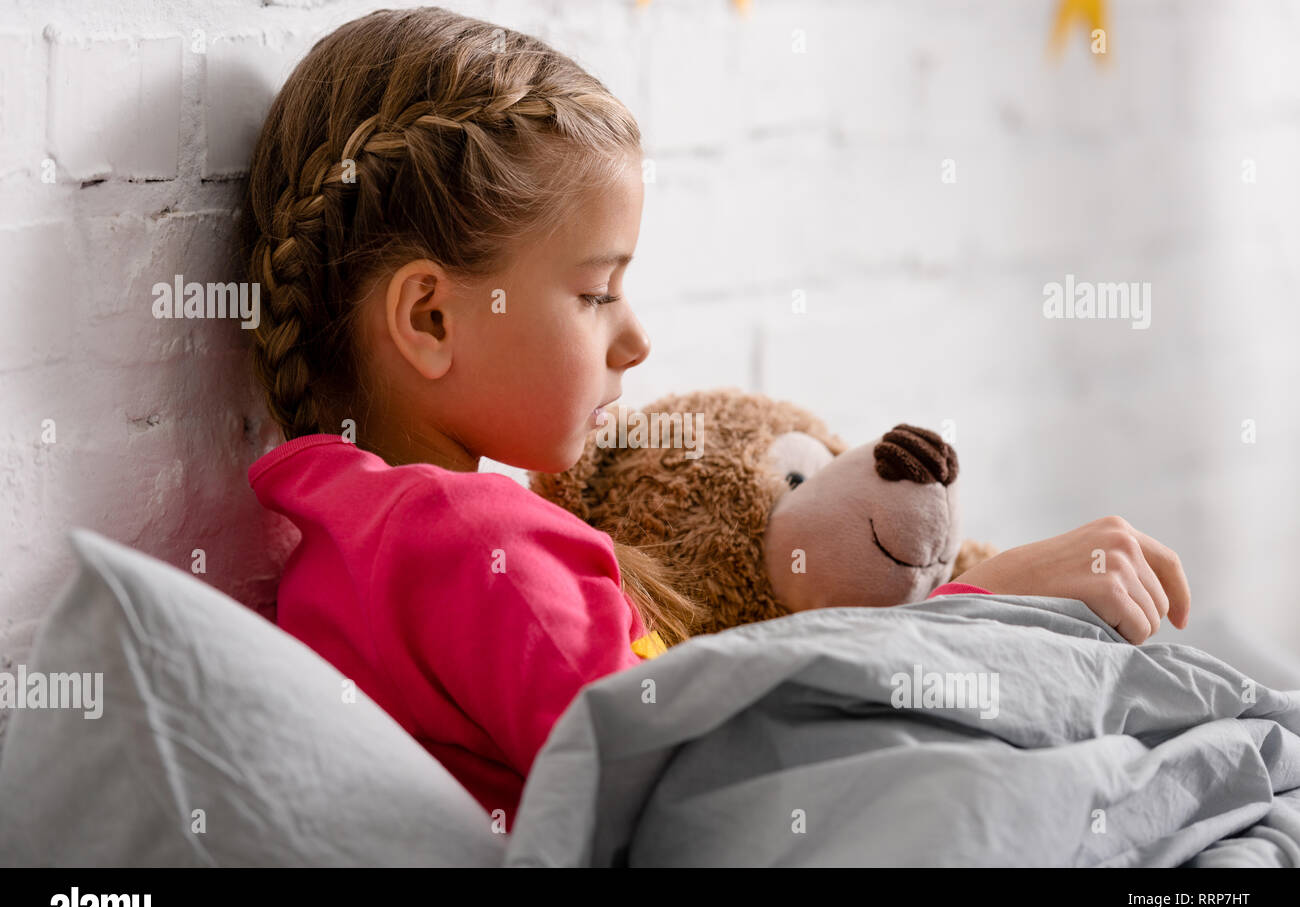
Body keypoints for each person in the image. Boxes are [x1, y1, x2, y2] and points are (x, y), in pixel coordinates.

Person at [238, 7, 1190, 831]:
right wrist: (993, 599)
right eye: (597, 291)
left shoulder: (344, 548)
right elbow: (724, 770)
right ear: (431, 318)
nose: (636, 339)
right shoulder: (471, 539)